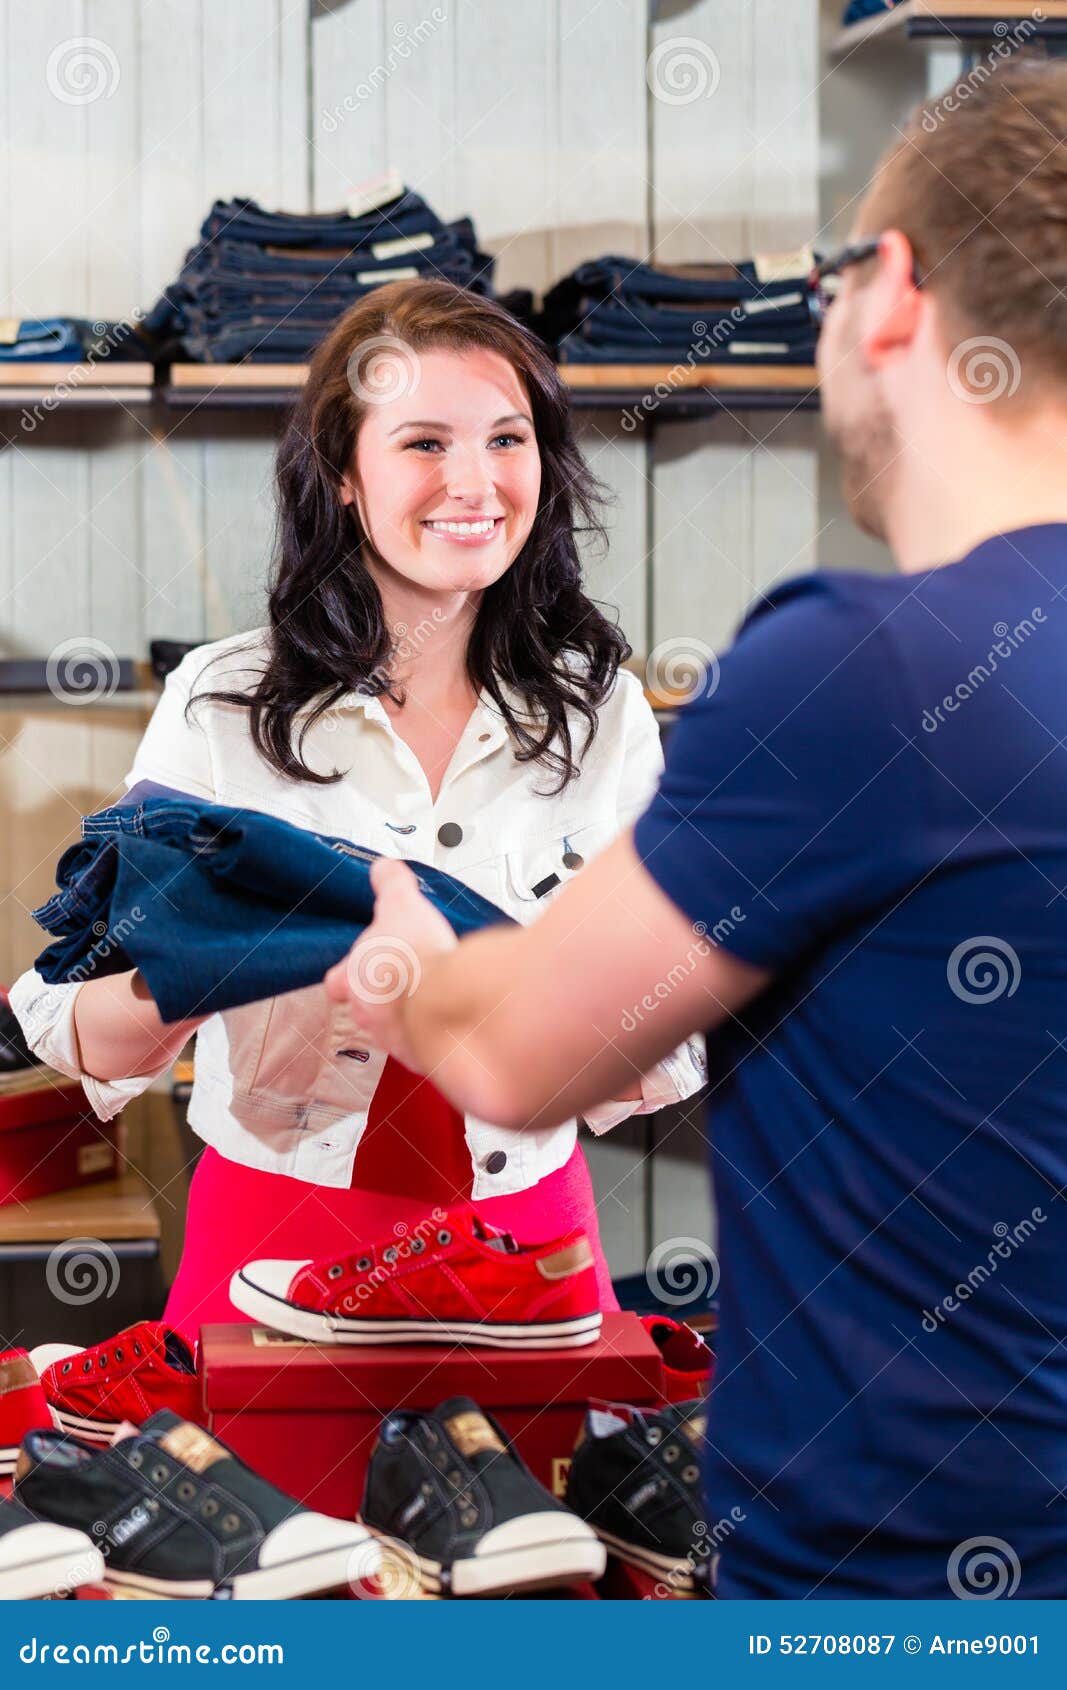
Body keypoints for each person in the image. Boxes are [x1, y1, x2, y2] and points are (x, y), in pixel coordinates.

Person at [326, 59, 1067, 1598]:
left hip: (900, 1593)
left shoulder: (869, 672)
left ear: (888, 298)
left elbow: (522, 1053)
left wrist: (412, 956)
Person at [11, 279, 702, 1341]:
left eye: (506, 439)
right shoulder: (220, 700)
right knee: (273, 1514)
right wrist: (221, 960)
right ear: (342, 472)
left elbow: (672, 1033)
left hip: (529, 1249)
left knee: (552, 1514)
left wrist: (535, 999)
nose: (474, 481)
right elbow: (73, 1029)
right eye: (423, 442)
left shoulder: (597, 709)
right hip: (274, 1243)